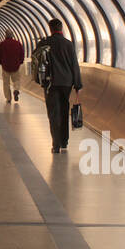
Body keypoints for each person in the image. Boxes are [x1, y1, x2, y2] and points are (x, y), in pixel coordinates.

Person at [32, 18, 82, 154]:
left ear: (50, 29)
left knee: (53, 113)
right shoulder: (69, 44)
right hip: (66, 83)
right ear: (61, 29)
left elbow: (35, 57)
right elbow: (74, 65)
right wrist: (78, 85)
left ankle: (56, 144)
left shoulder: (45, 43)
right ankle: (64, 141)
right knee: (64, 111)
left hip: (51, 83)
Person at [0, 29, 25, 103]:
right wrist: (20, 61)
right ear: (12, 35)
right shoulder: (18, 43)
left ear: (5, 35)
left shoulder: (2, 44)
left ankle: (8, 98)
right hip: (15, 66)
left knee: (6, 83)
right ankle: (16, 90)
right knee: (16, 80)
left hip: (5, 66)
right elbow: (22, 53)